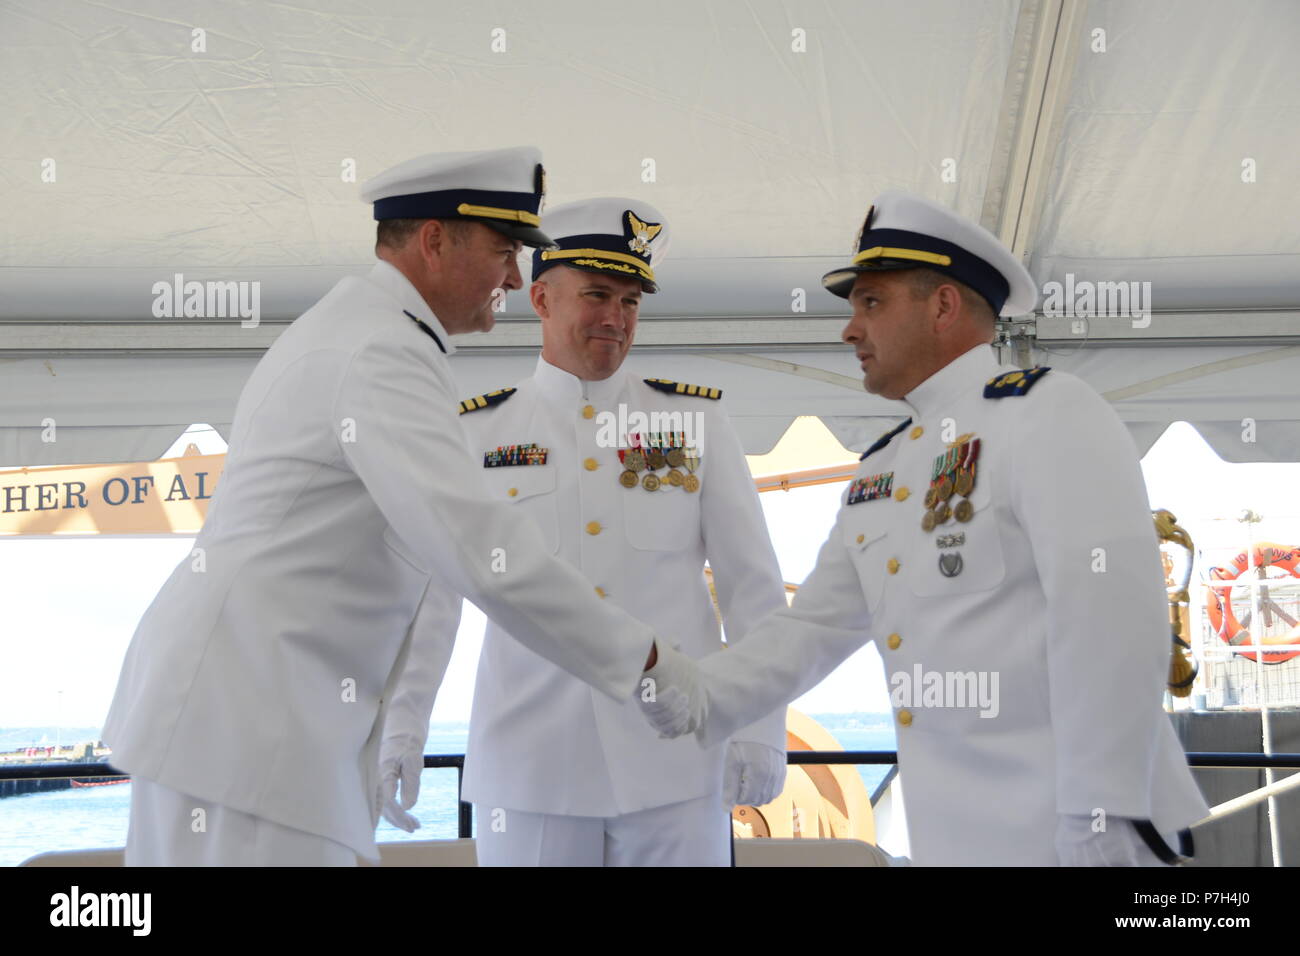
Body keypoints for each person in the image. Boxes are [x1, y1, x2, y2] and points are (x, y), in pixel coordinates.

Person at [101, 147, 693, 866]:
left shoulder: (365, 331)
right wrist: (650, 660)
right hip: (256, 734)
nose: (514, 276)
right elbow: (480, 552)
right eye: (505, 250)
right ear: (434, 241)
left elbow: (425, 568)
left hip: (253, 729)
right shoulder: (380, 351)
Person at [641, 190, 1209, 866]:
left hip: (1073, 831)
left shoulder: (1048, 414)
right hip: (952, 838)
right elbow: (809, 632)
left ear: (942, 306)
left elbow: (1112, 618)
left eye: (871, 303)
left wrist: (1103, 814)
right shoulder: (882, 469)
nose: (849, 329)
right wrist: (694, 690)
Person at [380, 198, 789, 866]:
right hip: (532, 767)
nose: (615, 318)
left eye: (630, 301)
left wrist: (762, 728)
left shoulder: (694, 424)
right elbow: (434, 597)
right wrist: (401, 725)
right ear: (540, 298)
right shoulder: (478, 434)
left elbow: (754, 591)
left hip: (678, 767)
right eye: (598, 294)